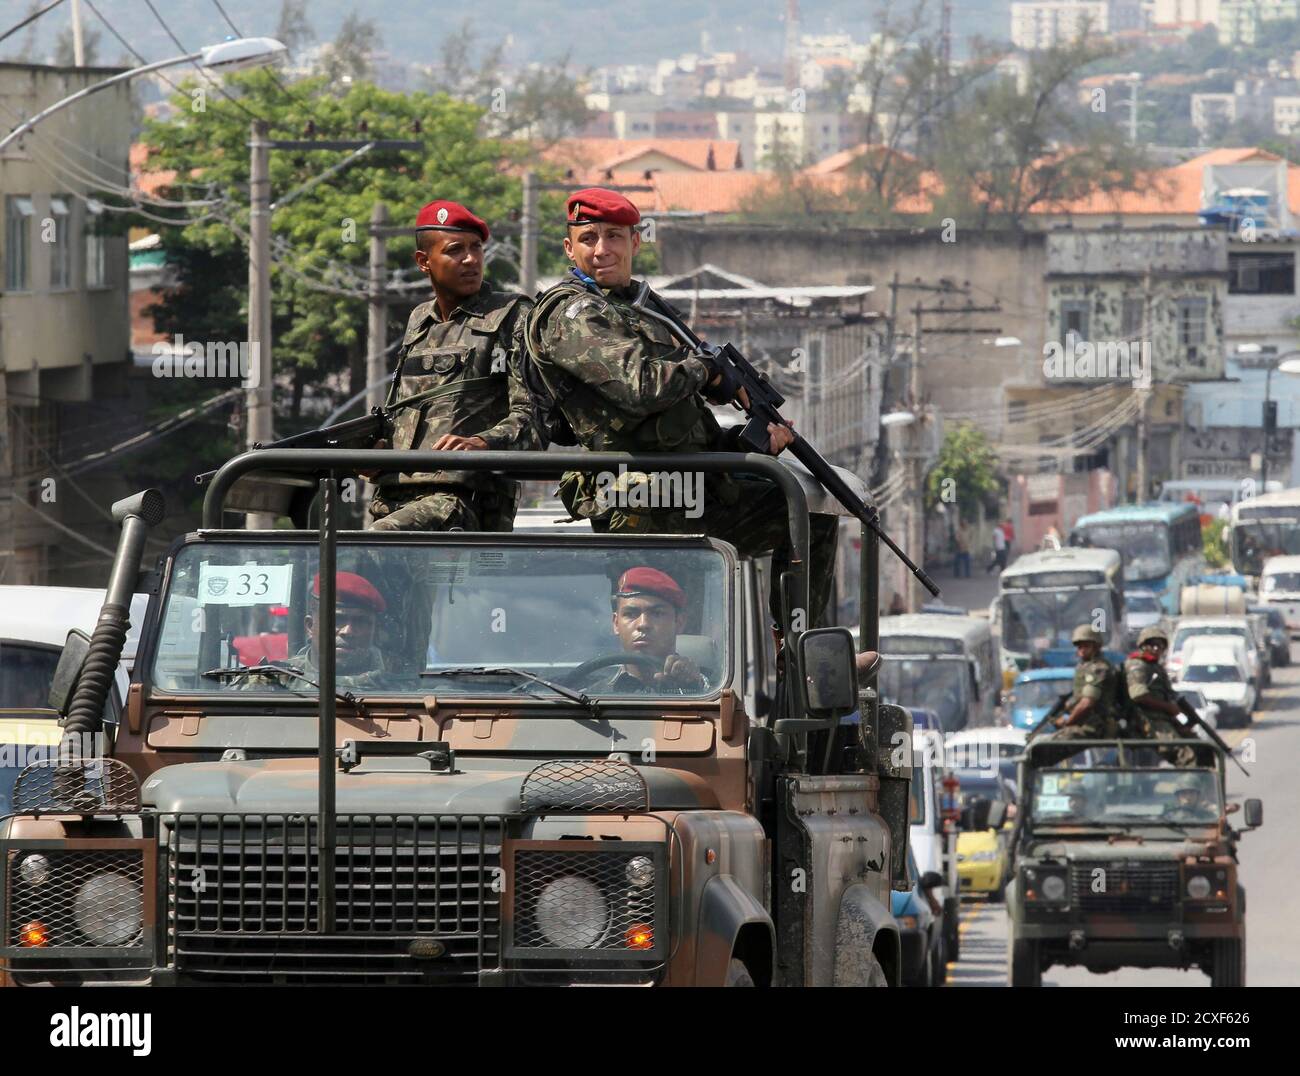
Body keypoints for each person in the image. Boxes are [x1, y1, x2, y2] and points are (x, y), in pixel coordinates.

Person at [522, 187, 839, 636]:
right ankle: (794, 656)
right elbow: (640, 389)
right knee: (672, 633)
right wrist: (707, 369)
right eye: (589, 237)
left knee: (811, 512)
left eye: (614, 236)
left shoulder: (640, 310)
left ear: (635, 243)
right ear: (569, 248)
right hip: (638, 498)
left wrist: (743, 443)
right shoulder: (572, 312)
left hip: (685, 488)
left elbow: (675, 424)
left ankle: (798, 650)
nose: (601, 249)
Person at [369, 199, 538, 533]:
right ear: (424, 262)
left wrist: (483, 442)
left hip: (464, 500)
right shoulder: (420, 320)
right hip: (397, 494)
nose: (471, 259)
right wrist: (380, 449)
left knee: (371, 544)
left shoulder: (511, 315)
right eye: (455, 250)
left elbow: (533, 419)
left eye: (476, 248)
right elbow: (406, 414)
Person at [579, 567, 708, 694]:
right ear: (616, 623)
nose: (643, 624)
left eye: (657, 613)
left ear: (679, 623)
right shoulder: (590, 697)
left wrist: (693, 688)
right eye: (630, 614)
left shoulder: (711, 690)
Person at [1036, 624, 1118, 764]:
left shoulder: (1098, 668)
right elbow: (1078, 700)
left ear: (1096, 647)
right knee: (1038, 746)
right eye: (1079, 646)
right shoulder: (1084, 667)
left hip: (1095, 727)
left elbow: (1087, 703)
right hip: (1084, 725)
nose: (1081, 650)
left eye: (1086, 646)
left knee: (1044, 750)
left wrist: (1068, 723)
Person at [1124, 625, 1197, 767]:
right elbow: (1138, 695)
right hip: (1147, 719)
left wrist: (1185, 715)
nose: (1157, 649)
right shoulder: (1138, 664)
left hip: (1162, 718)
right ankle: (1190, 789)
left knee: (1199, 747)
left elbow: (1170, 695)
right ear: (1143, 645)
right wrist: (1169, 708)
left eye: (1160, 645)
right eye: (1152, 644)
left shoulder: (1155, 667)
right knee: (1186, 757)